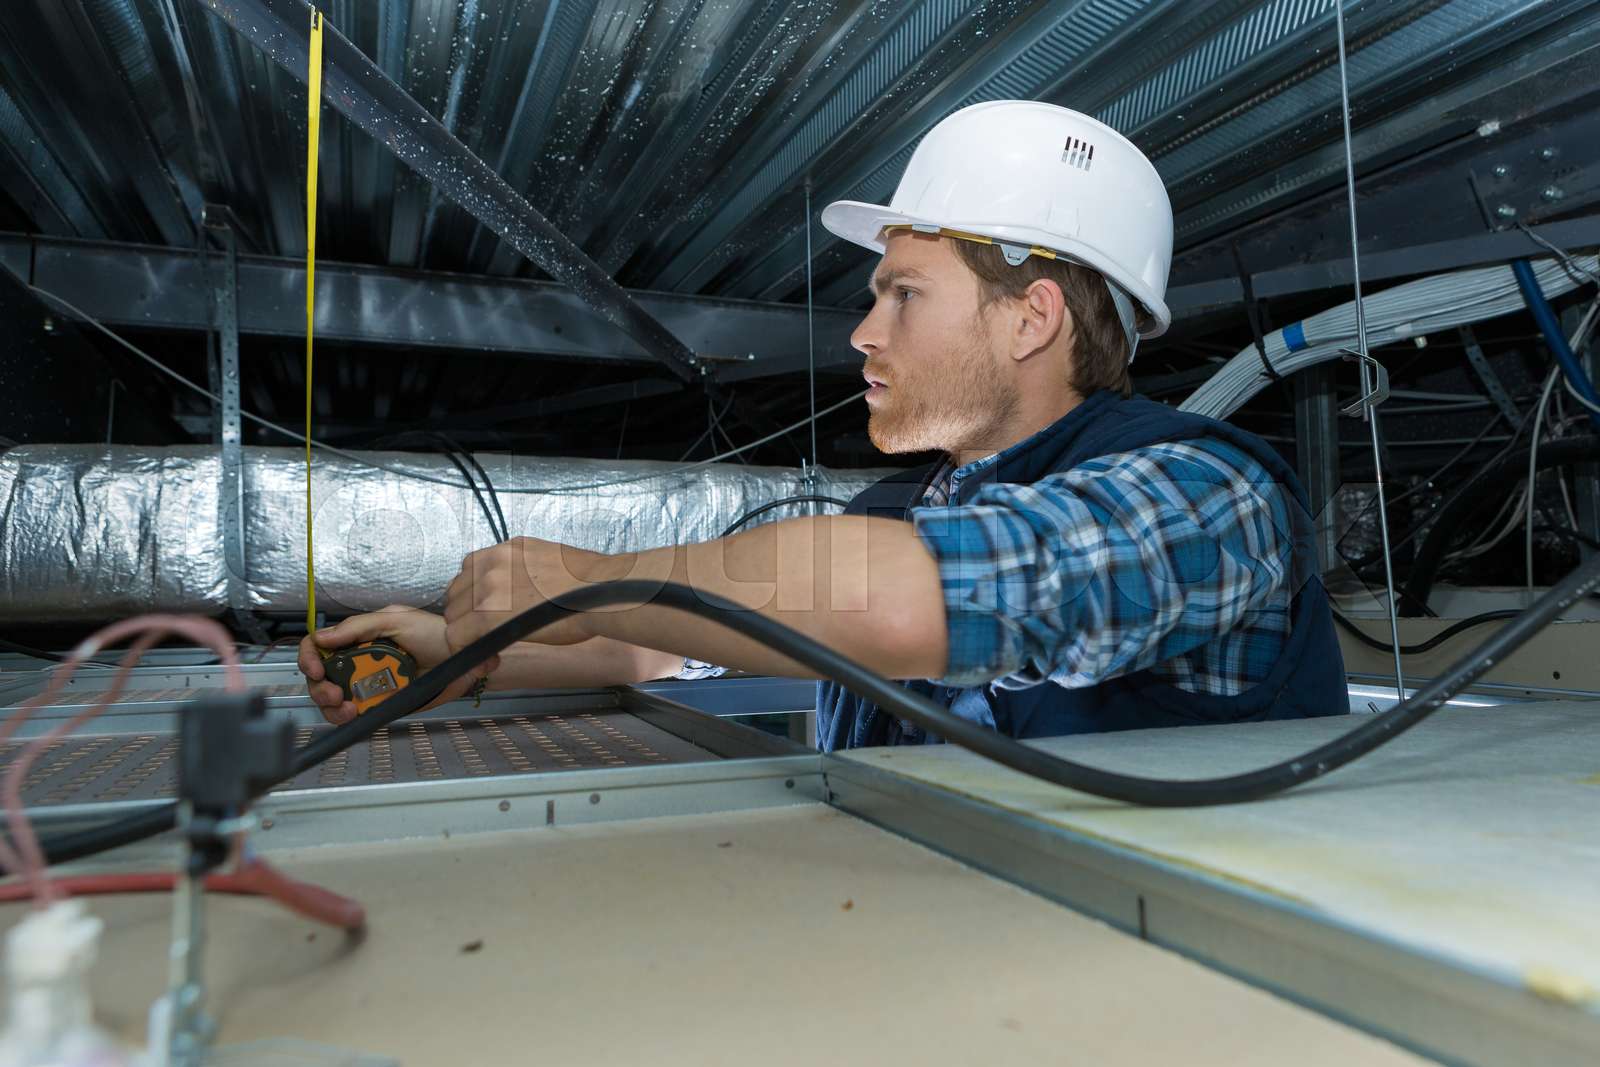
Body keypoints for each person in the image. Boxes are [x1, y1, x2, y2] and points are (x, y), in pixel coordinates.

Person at [300, 101, 1346, 747]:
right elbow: (664, 652)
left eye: (904, 294)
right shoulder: (905, 511)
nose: (863, 332)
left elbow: (911, 601)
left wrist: (583, 579)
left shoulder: (1208, 495)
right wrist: (467, 652)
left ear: (1031, 318)